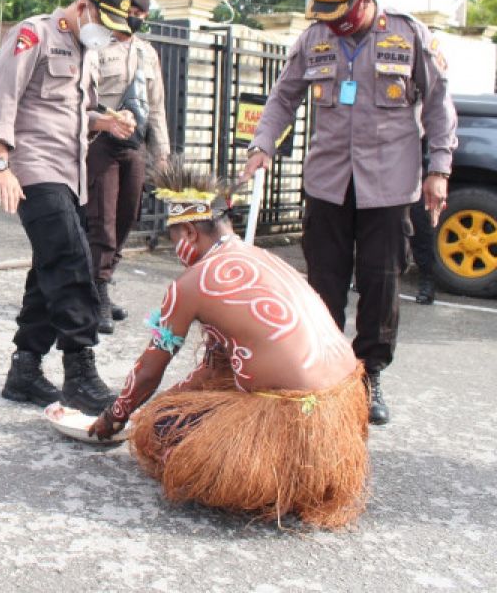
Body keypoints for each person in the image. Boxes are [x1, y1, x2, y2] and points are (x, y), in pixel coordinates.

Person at [88, 166, 369, 528]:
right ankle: (300, 478)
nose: (177, 252)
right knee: (179, 405)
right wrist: (173, 396)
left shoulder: (192, 283)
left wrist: (116, 417)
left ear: (189, 231)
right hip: (340, 414)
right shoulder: (264, 257)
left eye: (176, 241)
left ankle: (269, 481)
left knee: (159, 430)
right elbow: (213, 368)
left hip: (288, 413)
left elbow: (148, 371)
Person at [241, 0, 457, 425]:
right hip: (329, 182)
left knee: (380, 284)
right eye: (325, 12)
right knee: (323, 283)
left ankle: (368, 375)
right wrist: (262, 145)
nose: (333, 22)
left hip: (389, 184)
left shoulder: (408, 34)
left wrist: (438, 167)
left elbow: (439, 103)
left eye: (341, 11)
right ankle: (322, 368)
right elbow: (283, 97)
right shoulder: (315, 38)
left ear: (364, 0)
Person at [0, 0, 139, 415]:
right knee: (72, 262)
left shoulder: (88, 53)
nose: (107, 34)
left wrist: (105, 122)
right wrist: (1, 165)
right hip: (32, 168)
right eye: (104, 22)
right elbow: (2, 98)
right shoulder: (34, 33)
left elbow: (75, 112)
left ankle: (25, 368)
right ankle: (79, 370)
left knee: (48, 268)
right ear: (82, 6)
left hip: (70, 172)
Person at [85, 0, 171, 334]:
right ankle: (97, 292)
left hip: (133, 145)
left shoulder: (148, 53)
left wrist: (161, 155)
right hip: (100, 142)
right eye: (129, 13)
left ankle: (103, 280)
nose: (134, 20)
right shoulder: (95, 46)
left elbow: (158, 107)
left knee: (126, 217)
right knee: (101, 221)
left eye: (140, 15)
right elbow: (83, 99)